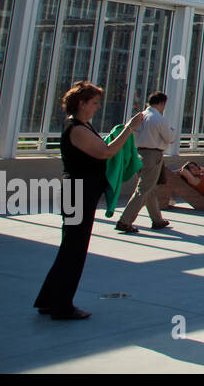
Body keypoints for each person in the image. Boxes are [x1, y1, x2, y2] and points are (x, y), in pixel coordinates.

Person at [35, 81, 146, 320]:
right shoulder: (77, 129)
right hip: (78, 192)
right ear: (82, 103)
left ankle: (49, 300)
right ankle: (61, 306)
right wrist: (128, 129)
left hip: (79, 192)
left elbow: (101, 148)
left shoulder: (82, 125)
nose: (97, 107)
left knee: (69, 248)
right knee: (74, 250)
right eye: (94, 103)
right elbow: (105, 152)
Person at [115, 91, 176, 233]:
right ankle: (125, 220)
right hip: (153, 155)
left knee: (150, 188)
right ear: (162, 103)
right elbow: (169, 138)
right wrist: (172, 130)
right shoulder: (158, 118)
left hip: (138, 153)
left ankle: (157, 220)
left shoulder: (140, 116)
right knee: (144, 189)